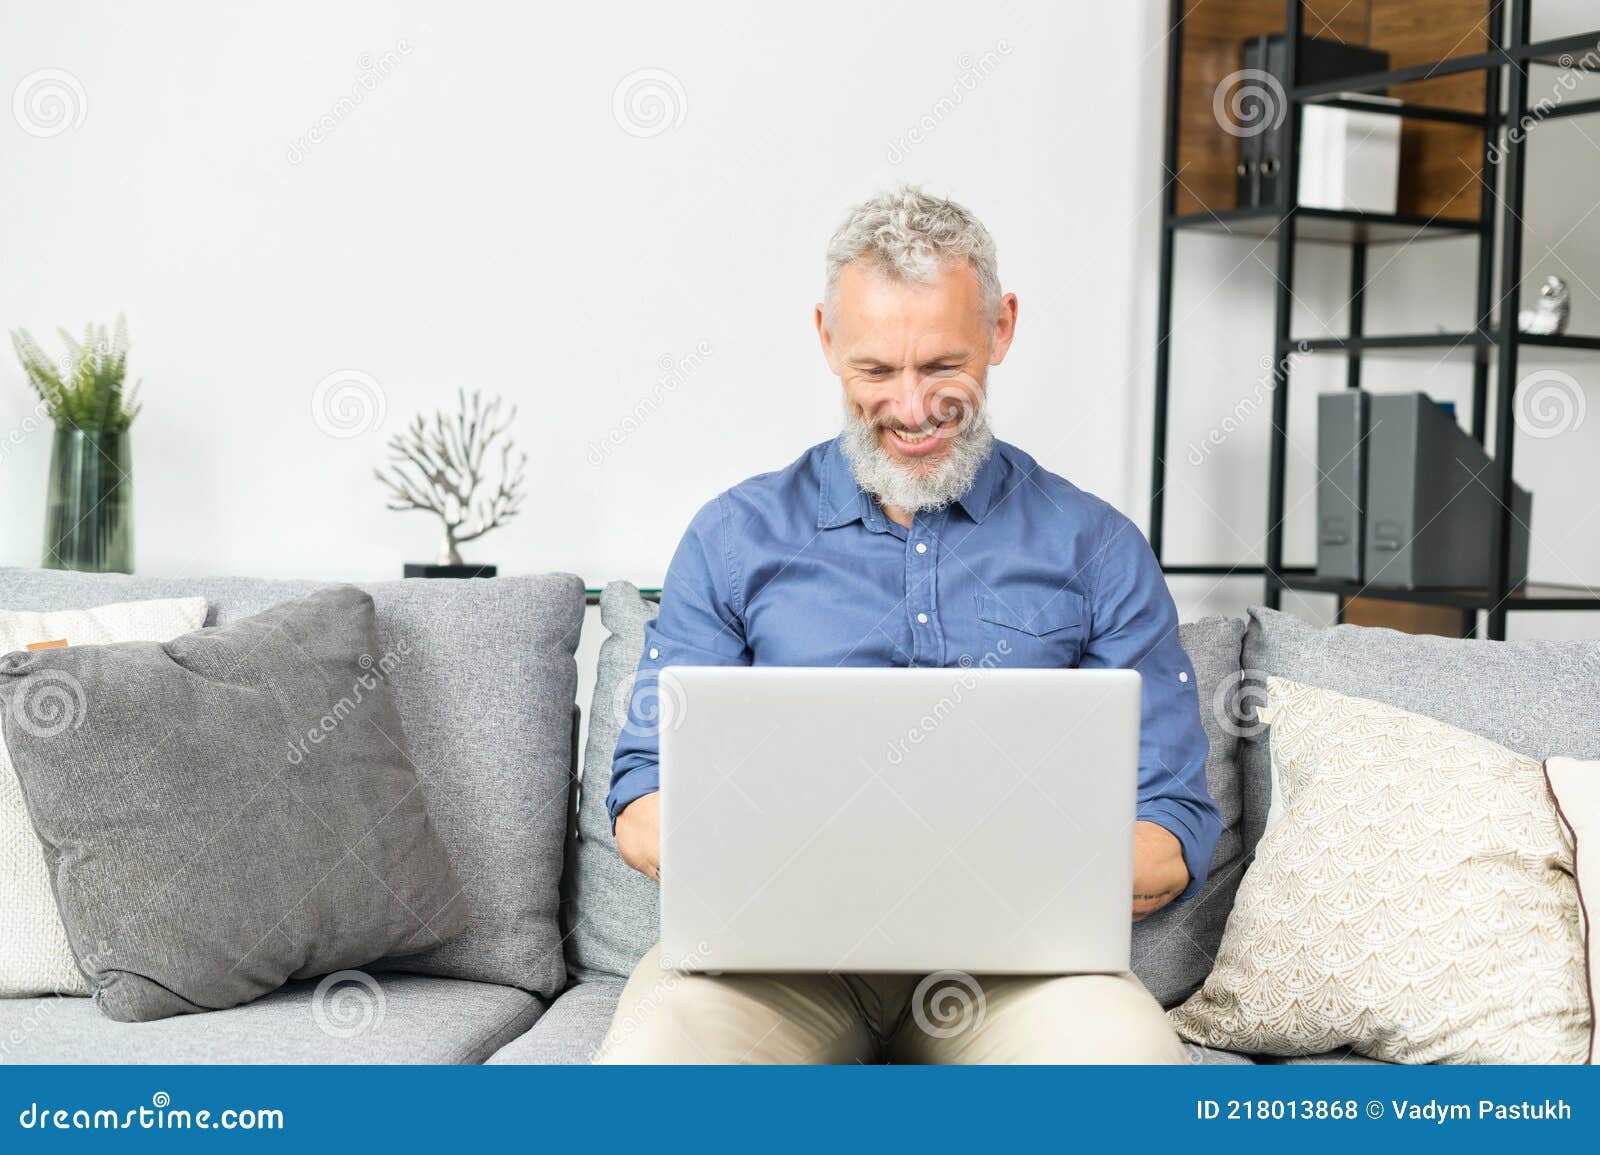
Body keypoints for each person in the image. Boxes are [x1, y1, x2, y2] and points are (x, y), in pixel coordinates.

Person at [597, 185, 1218, 1064]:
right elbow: (642, 800)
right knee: (657, 1064)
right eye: (876, 371)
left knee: (1129, 1070)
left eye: (942, 366)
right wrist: (806, 872)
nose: (913, 407)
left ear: (1002, 328)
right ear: (825, 339)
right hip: (773, 971)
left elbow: (1169, 830)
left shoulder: (1098, 548)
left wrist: (975, 883)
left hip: (1018, 975)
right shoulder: (734, 537)